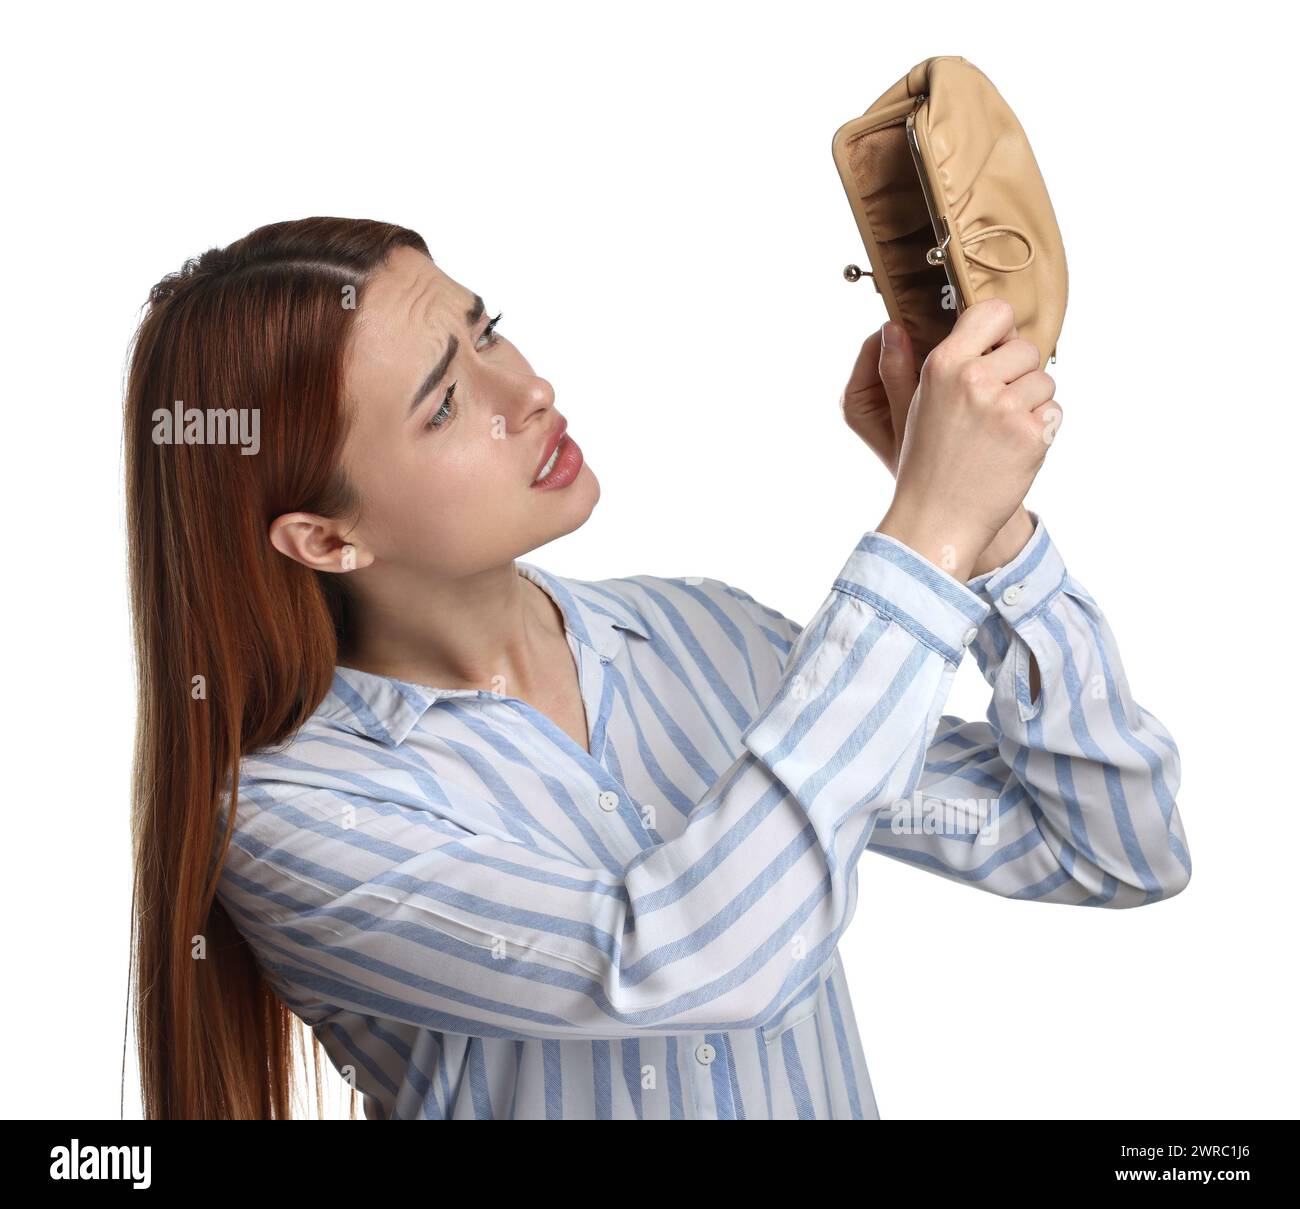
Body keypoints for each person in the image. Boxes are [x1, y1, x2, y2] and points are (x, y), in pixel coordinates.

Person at [124, 216, 1190, 1120]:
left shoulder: (701, 640)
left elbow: (1109, 849)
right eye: (446, 404)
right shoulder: (294, 817)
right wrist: (927, 534)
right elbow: (693, 958)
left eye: (487, 329)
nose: (528, 388)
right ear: (325, 540)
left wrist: (988, 529)